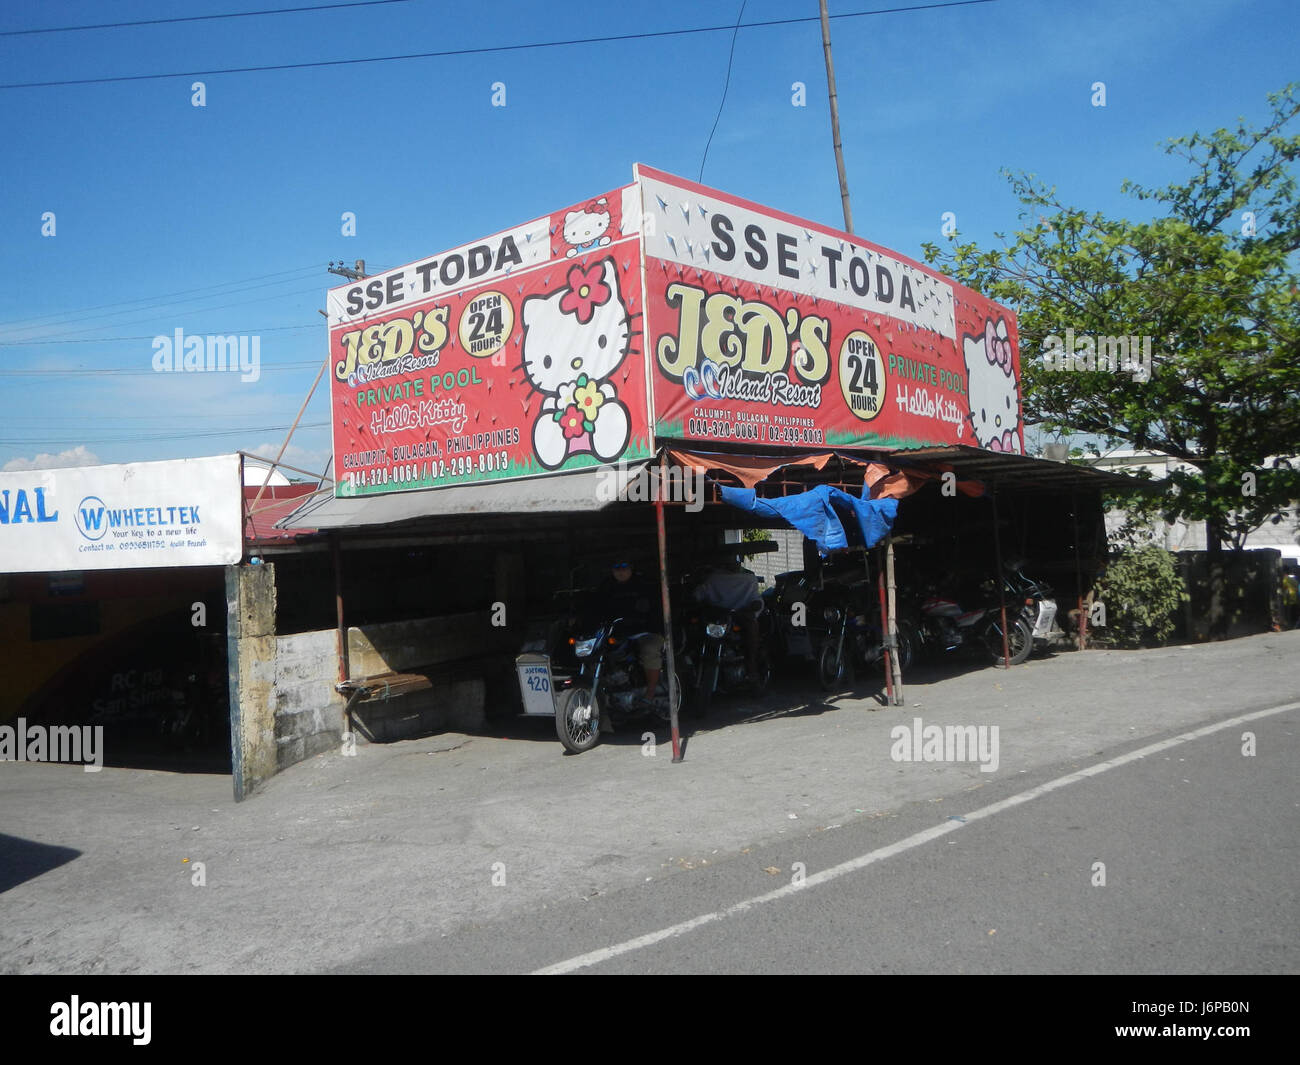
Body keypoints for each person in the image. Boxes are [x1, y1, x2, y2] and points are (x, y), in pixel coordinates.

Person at [583, 560, 664, 706]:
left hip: (644, 631)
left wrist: (643, 618)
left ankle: (650, 692)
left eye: (624, 567)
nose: (620, 571)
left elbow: (656, 608)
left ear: (631, 568)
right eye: (616, 568)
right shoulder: (607, 586)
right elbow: (594, 607)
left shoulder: (644, 585)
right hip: (615, 633)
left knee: (649, 650)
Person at [695, 557, 764, 679]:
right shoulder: (714, 578)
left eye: (735, 561)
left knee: (751, 631)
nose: (733, 564)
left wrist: (751, 608)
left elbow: (756, 600)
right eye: (730, 561)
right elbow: (698, 595)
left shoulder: (748, 578)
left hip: (739, 617)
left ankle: (752, 667)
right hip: (718, 618)